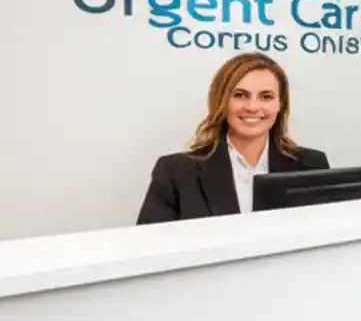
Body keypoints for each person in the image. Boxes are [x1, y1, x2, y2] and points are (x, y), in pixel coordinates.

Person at [137, 52, 329, 224]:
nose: (252, 107)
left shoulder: (312, 166)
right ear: (221, 101)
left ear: (280, 104)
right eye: (240, 95)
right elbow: (149, 247)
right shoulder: (176, 173)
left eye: (266, 96)